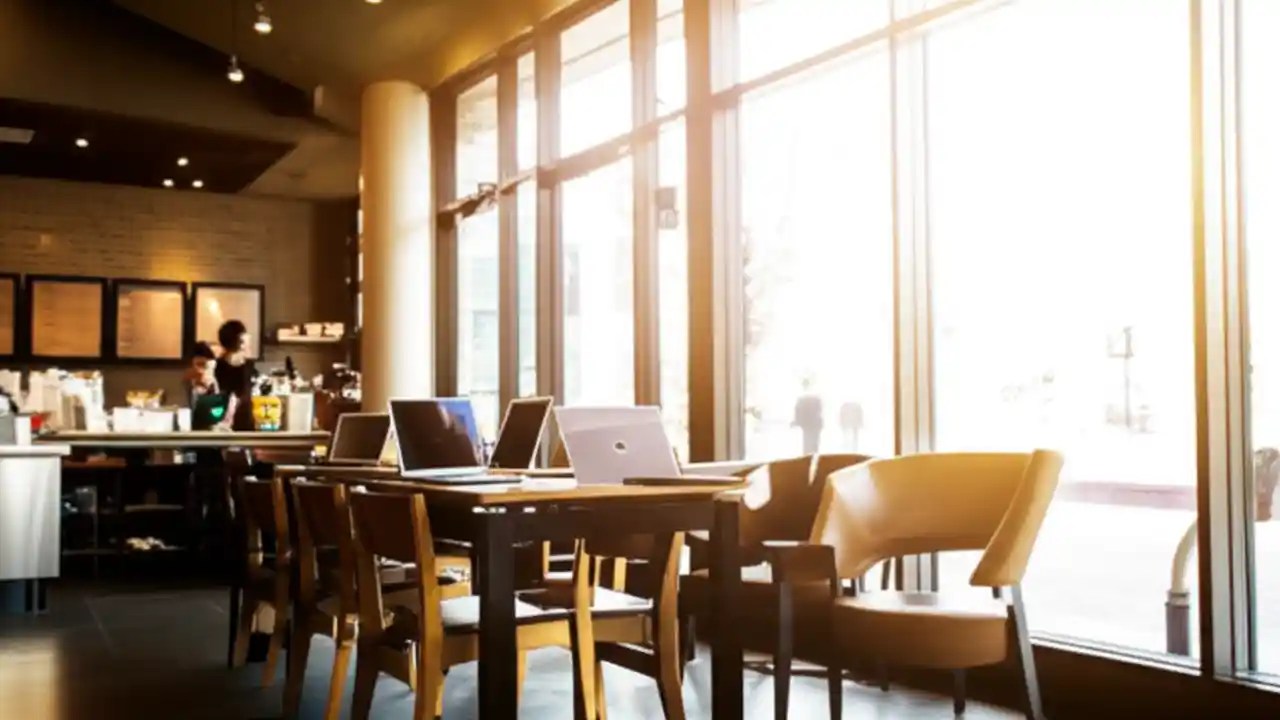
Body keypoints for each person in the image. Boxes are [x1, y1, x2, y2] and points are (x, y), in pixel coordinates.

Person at [214, 320, 257, 431]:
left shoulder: (249, 365)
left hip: (246, 423)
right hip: (224, 424)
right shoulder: (218, 366)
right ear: (240, 340)